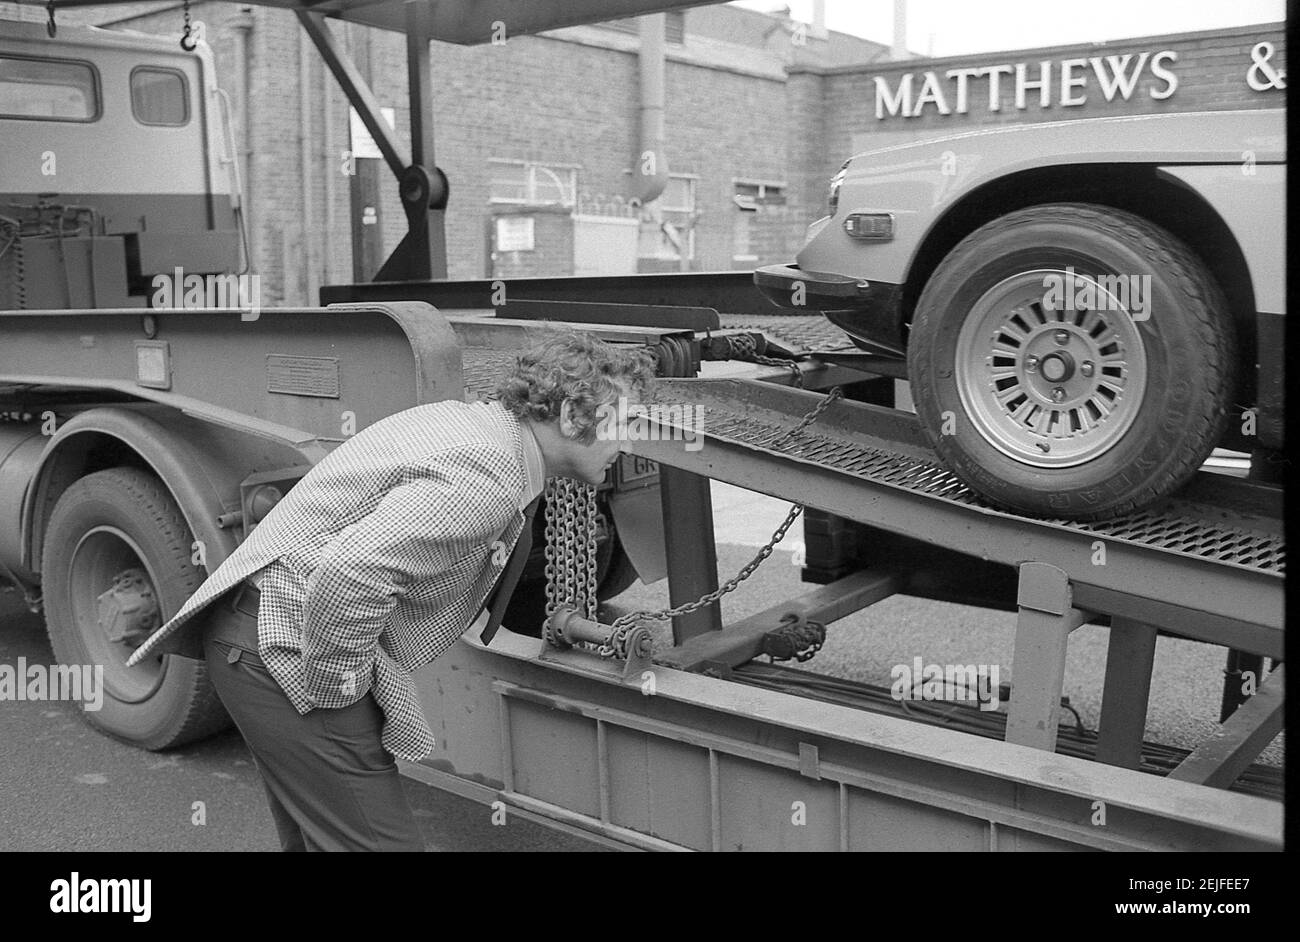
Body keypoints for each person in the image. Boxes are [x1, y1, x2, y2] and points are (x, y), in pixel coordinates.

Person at [125, 329, 656, 851]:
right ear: (568, 415)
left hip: (258, 637)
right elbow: (351, 572)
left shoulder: (477, 425)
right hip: (282, 652)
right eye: (621, 423)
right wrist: (337, 694)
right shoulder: (488, 477)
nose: (627, 443)